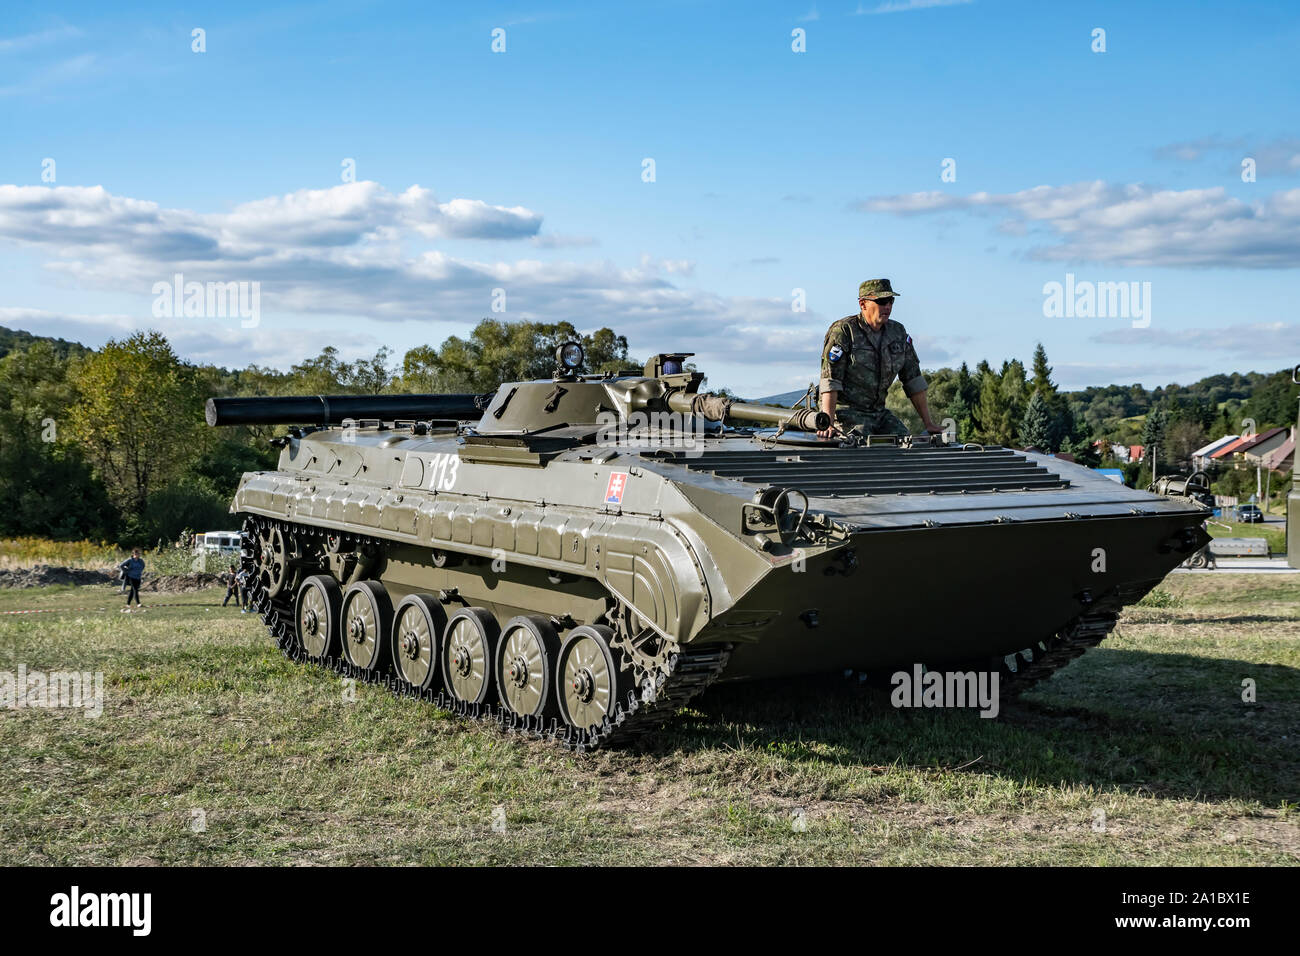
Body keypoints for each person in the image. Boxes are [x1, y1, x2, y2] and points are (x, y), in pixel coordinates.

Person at [817, 278, 944, 439]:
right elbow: (830, 380)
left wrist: (928, 423)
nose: (888, 306)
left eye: (891, 301)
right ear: (863, 304)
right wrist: (828, 422)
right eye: (882, 301)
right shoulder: (844, 331)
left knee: (903, 440)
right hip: (845, 412)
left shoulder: (897, 332)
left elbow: (913, 380)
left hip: (878, 413)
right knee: (859, 442)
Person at [119, 548, 145, 612]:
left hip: (138, 577)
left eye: (138, 554)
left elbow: (143, 566)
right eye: (136, 554)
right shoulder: (130, 560)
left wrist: (139, 571)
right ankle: (138, 603)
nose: (137, 555)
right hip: (131, 577)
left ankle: (128, 604)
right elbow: (121, 565)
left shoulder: (141, 561)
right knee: (135, 589)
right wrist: (126, 571)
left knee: (132, 591)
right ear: (133, 554)